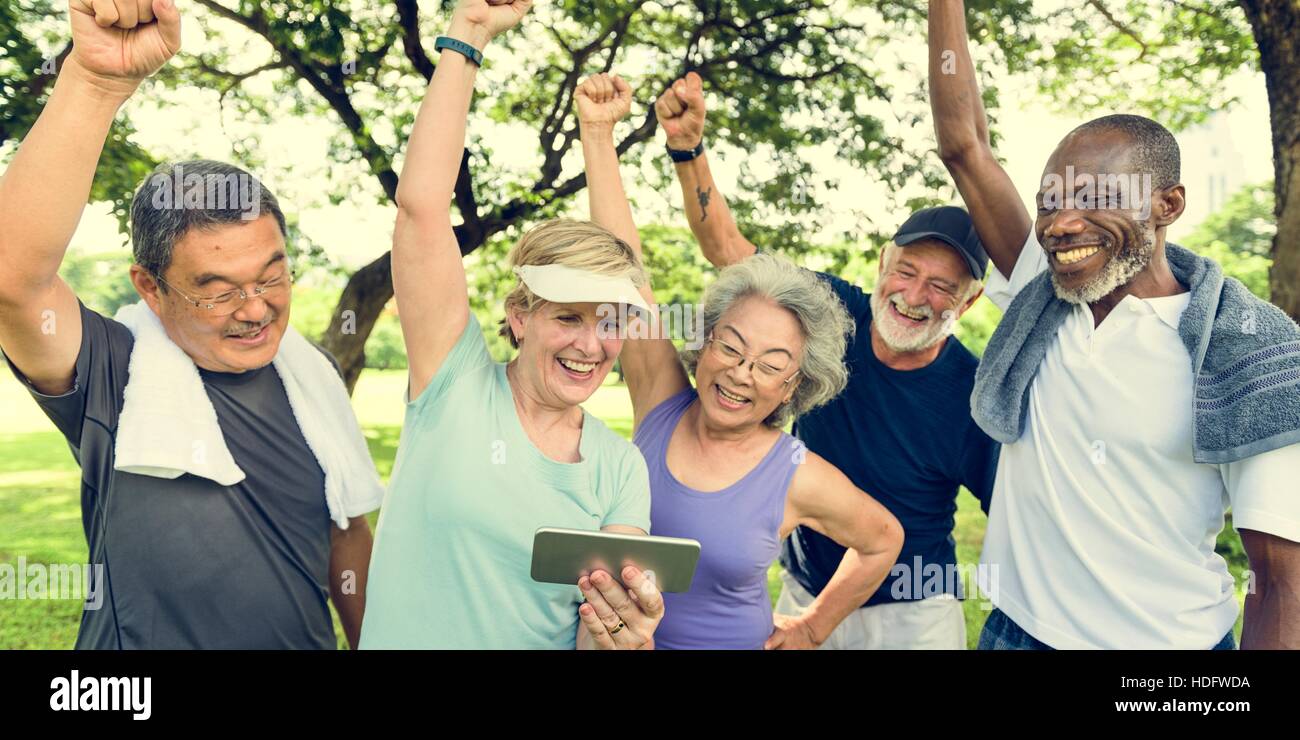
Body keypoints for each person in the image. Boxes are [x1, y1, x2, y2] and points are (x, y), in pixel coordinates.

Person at [0, 0, 383, 649]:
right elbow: (13, 280)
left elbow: (345, 535)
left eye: (271, 275)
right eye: (219, 292)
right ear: (150, 287)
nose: (257, 309)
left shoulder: (308, 373)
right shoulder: (112, 370)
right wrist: (94, 82)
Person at [929, 0, 1300, 649]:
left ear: (1168, 204)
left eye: (1095, 197)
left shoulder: (1248, 350)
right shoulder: (1039, 300)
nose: (1060, 222)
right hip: (1016, 633)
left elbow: (1280, 583)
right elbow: (964, 146)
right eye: (1049, 203)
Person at [358, 0, 664, 650]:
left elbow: (597, 633)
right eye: (567, 316)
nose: (591, 345)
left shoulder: (619, 468)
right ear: (519, 315)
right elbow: (420, 212)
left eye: (608, 322)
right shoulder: (452, 379)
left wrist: (623, 634)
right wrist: (466, 37)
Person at [653, 74, 999, 648]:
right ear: (884, 262)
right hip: (804, 588)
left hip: (911, 611)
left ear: (969, 301)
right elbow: (726, 251)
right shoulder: (829, 310)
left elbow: (1014, 512)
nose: (915, 297)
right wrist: (688, 148)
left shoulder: (974, 393)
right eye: (907, 271)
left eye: (942, 286)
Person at [574, 73, 903, 649]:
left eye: (771, 364)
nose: (741, 373)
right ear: (703, 344)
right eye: (730, 346)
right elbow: (623, 272)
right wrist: (598, 134)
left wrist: (813, 627)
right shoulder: (660, 399)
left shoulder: (796, 472)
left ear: (792, 387)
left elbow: (882, 538)